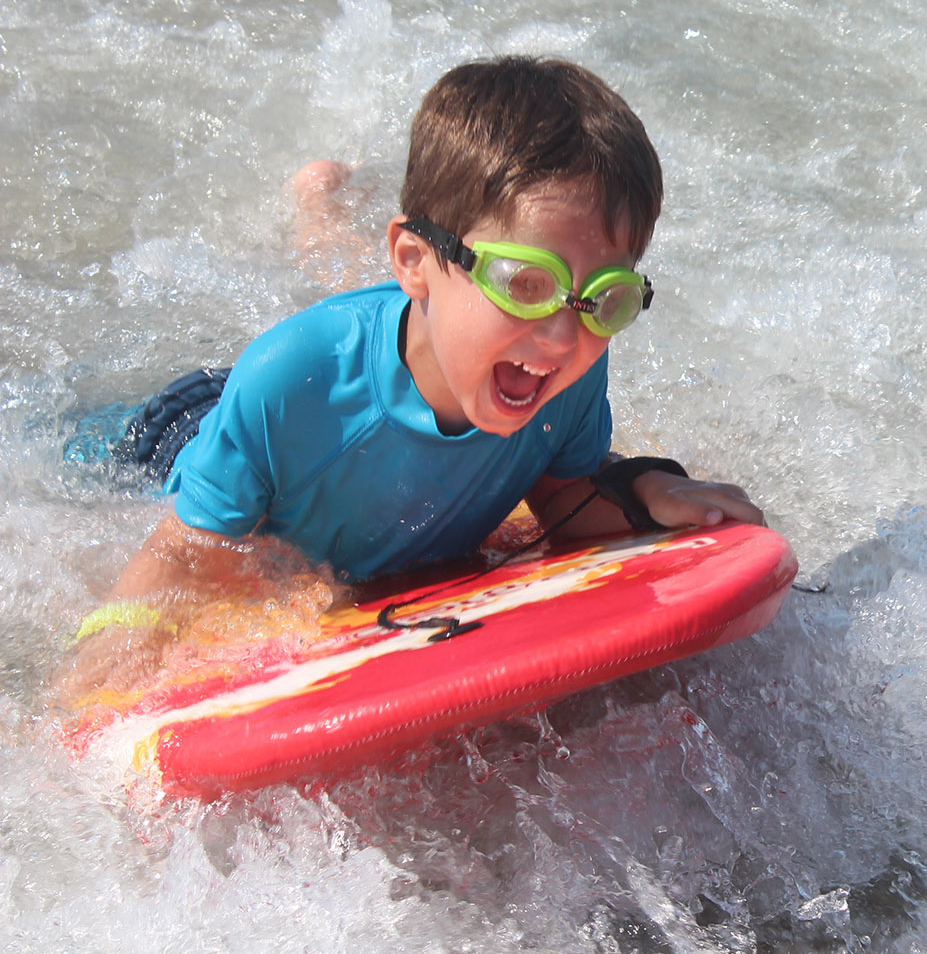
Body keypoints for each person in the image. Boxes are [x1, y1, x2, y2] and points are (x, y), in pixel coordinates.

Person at [60, 57, 762, 702]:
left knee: (432, 318)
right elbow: (183, 551)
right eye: (526, 283)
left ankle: (325, 207)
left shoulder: (568, 366)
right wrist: (106, 656)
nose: (561, 334)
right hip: (183, 429)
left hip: (400, 347)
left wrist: (651, 490)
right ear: (414, 254)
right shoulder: (290, 382)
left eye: (604, 298)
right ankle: (317, 210)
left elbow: (559, 491)